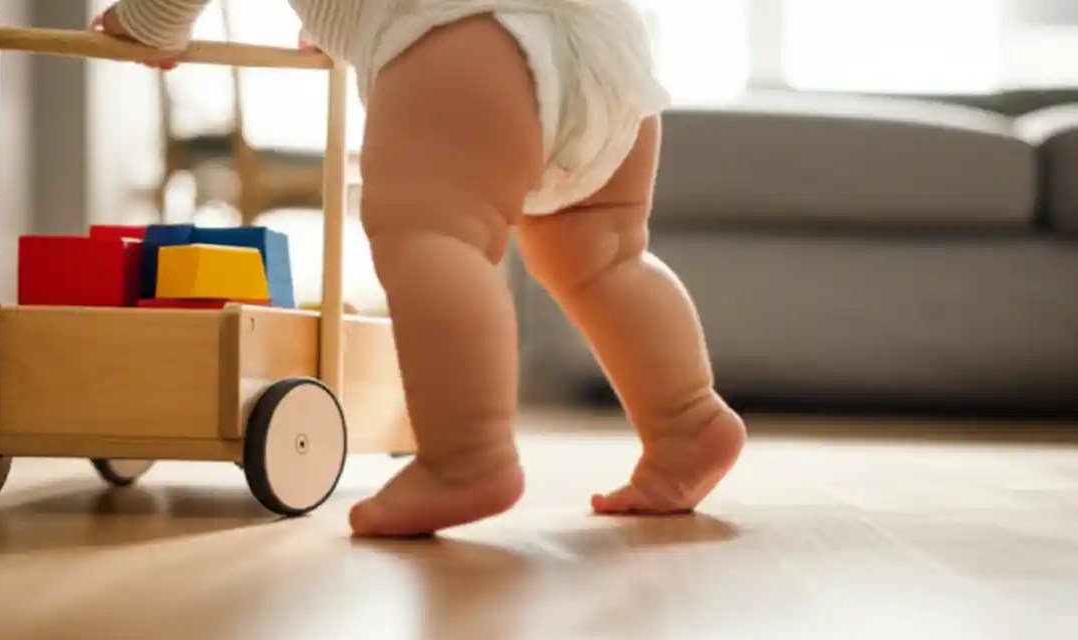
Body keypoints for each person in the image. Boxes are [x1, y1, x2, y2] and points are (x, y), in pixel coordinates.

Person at [95, 0, 747, 537]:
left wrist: (153, 23)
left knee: (433, 238)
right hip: (609, 45)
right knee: (605, 257)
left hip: (470, 32)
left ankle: (466, 458)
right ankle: (685, 419)